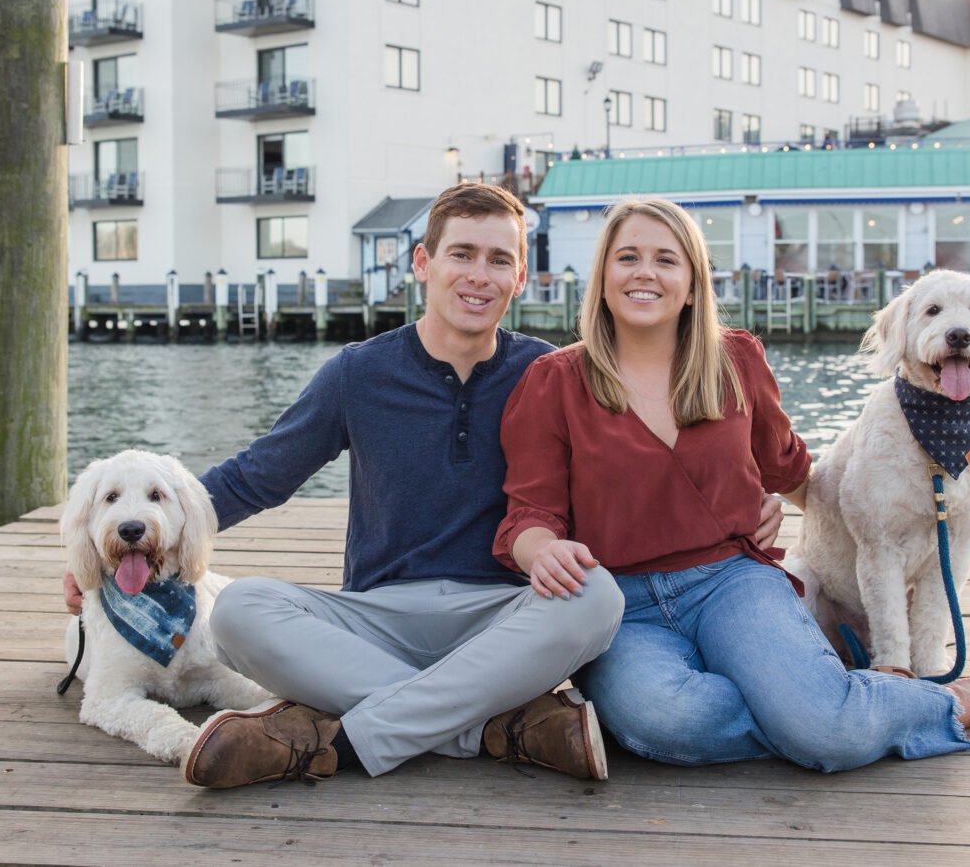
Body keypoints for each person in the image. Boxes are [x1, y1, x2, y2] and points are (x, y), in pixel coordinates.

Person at [66, 182, 629, 785]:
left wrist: (745, 504)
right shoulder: (357, 373)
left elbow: (619, 477)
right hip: (374, 617)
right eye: (461, 254)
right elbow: (258, 476)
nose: (478, 276)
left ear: (520, 278)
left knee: (598, 597)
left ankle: (341, 739)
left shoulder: (547, 373)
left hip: (500, 615)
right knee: (237, 610)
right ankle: (489, 727)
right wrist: (131, 545)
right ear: (423, 263)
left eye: (499, 260)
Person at [493, 197, 970, 774]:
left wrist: (873, 500)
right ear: (603, 277)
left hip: (732, 582)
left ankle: (900, 706)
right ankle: (871, 705)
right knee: (664, 722)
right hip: (621, 602)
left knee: (822, 730)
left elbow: (791, 471)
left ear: (692, 284)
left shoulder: (735, 360)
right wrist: (543, 549)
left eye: (666, 259)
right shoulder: (553, 381)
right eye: (628, 257)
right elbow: (528, 514)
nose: (646, 271)